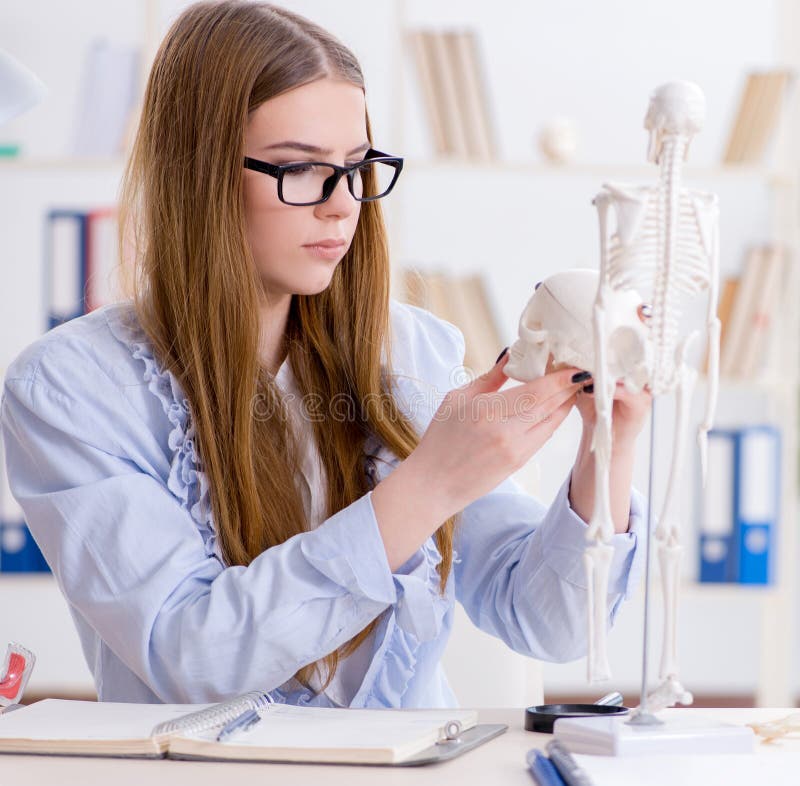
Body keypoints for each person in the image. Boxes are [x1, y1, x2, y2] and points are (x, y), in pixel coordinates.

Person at [0, 1, 650, 708]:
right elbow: (190, 654)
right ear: (200, 175)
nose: (343, 205)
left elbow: (546, 622)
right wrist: (429, 484)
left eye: (356, 166)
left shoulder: (411, 351)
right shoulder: (70, 388)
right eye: (300, 169)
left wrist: (608, 445)